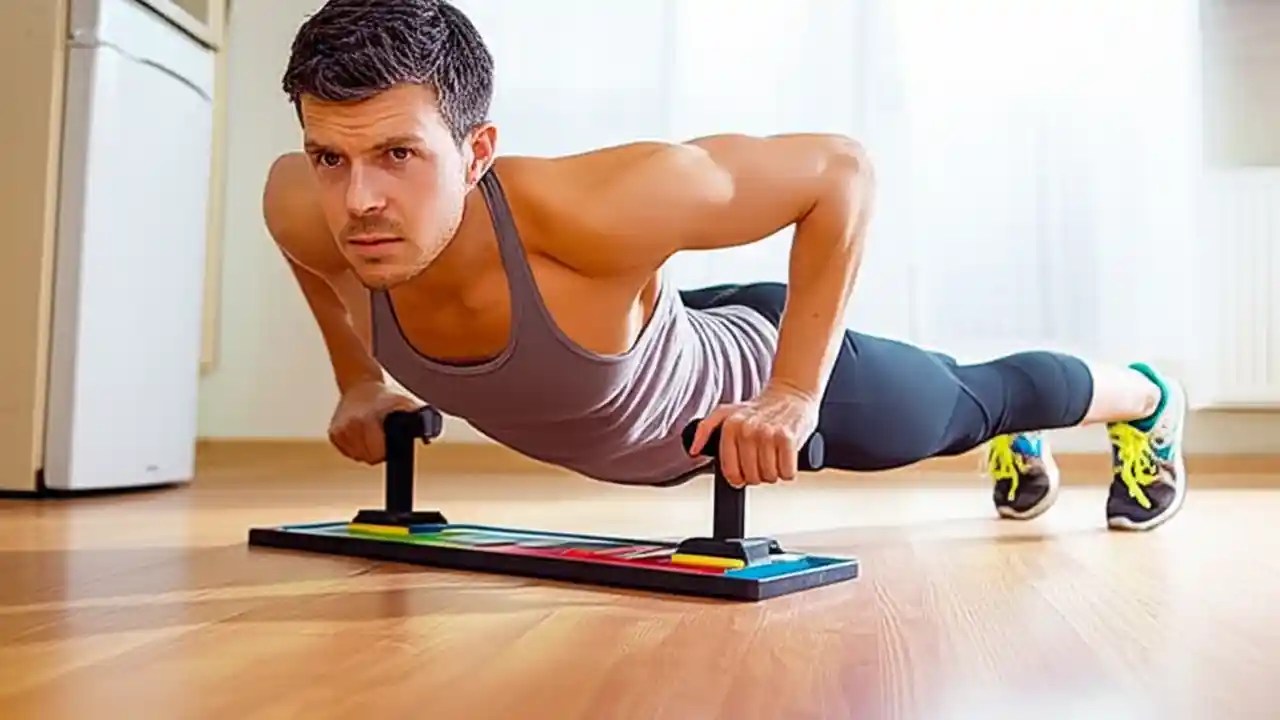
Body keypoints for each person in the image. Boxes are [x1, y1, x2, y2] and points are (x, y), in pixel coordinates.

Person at [263, 0, 1187, 532]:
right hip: (651, 331)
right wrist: (357, 380)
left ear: (477, 152)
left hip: (741, 364)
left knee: (969, 399)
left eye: (399, 154)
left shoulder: (596, 209)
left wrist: (791, 390)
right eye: (330, 157)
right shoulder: (304, 207)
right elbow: (311, 253)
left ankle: (1147, 399)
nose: (358, 203)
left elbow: (840, 171)